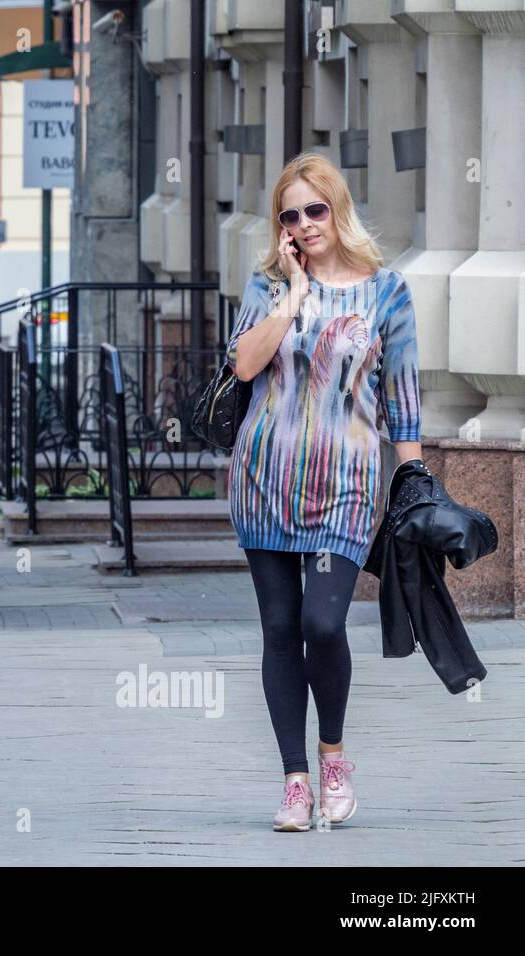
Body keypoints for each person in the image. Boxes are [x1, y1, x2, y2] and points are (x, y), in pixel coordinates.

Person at [226, 153, 423, 832]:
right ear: (279, 227)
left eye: (315, 209)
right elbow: (245, 364)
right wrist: (292, 297)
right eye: (290, 214)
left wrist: (415, 479)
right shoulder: (266, 285)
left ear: (336, 209)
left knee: (323, 624)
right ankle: (295, 781)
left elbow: (403, 397)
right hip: (263, 481)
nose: (305, 223)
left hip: (346, 485)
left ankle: (333, 754)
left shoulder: (387, 292)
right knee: (280, 629)